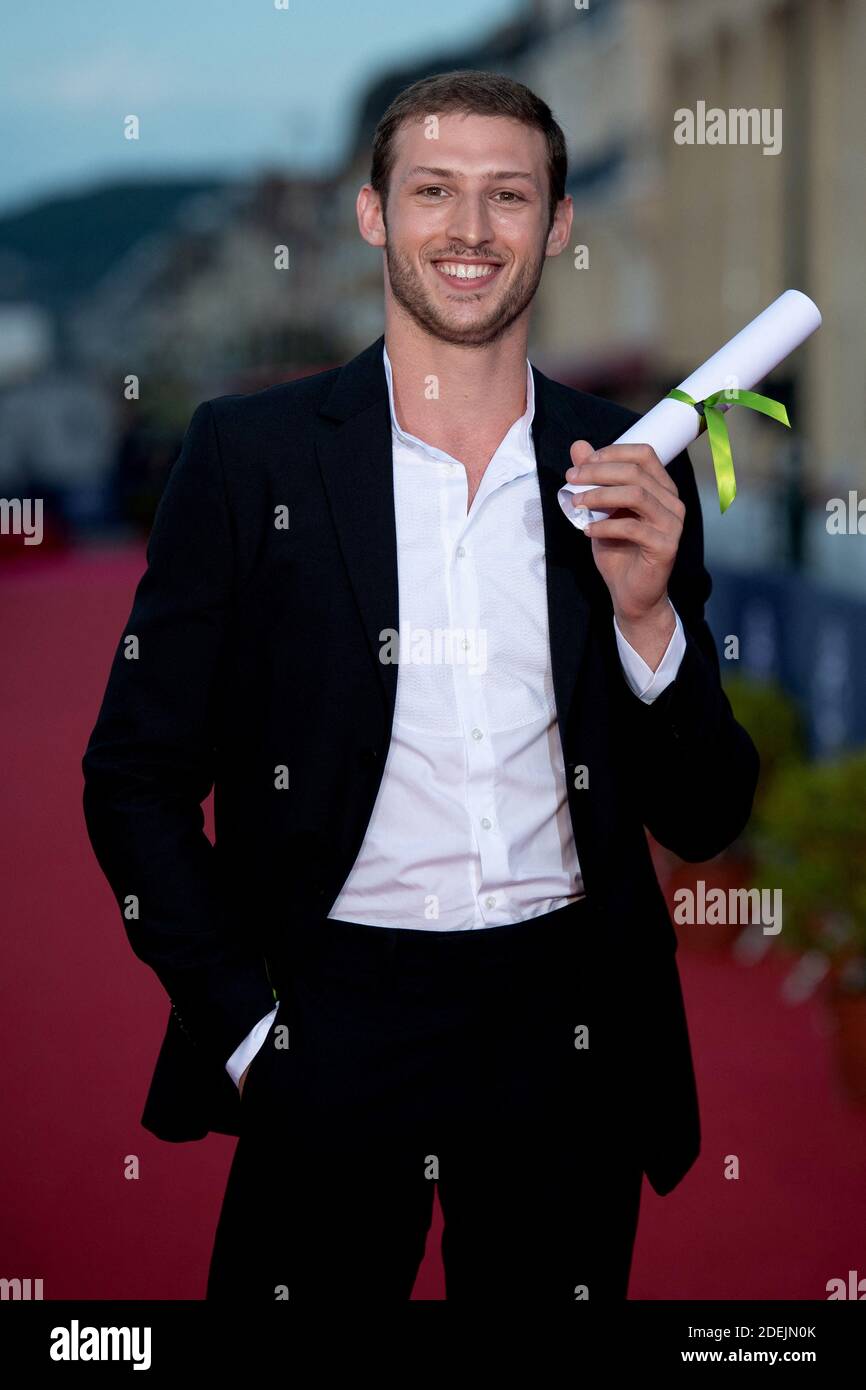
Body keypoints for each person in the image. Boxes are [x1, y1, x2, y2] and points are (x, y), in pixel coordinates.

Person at [81, 70, 760, 1302]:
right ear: (372, 214)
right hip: (329, 1013)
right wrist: (246, 1032)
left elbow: (706, 817)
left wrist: (649, 614)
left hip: (566, 1029)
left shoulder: (624, 465)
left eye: (508, 195)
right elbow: (130, 778)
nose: (468, 229)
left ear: (556, 223)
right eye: (432, 190)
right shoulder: (249, 457)